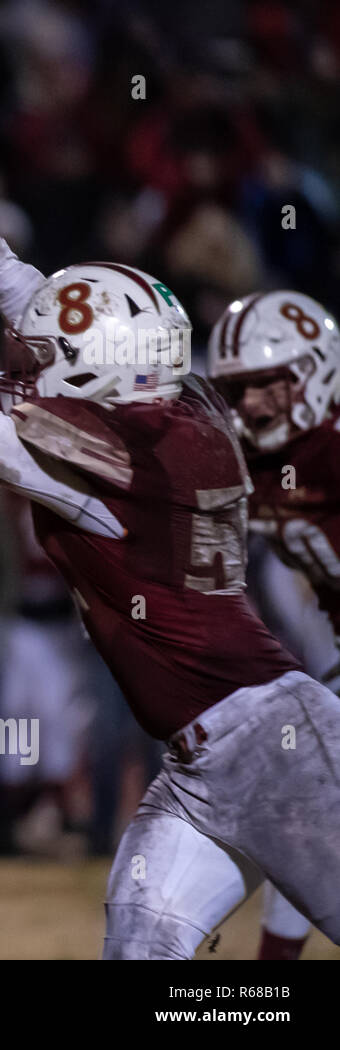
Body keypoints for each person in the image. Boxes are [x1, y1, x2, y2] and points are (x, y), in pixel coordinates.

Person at [0, 180, 340, 959]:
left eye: (48, 357)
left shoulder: (113, 467)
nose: (32, 366)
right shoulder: (187, 411)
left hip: (268, 742)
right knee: (140, 949)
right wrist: (0, 265)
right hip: (200, 761)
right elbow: (94, 339)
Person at [208, 290, 340, 959]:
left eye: (268, 384)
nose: (252, 404)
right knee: (306, 806)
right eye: (239, 388)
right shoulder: (254, 457)